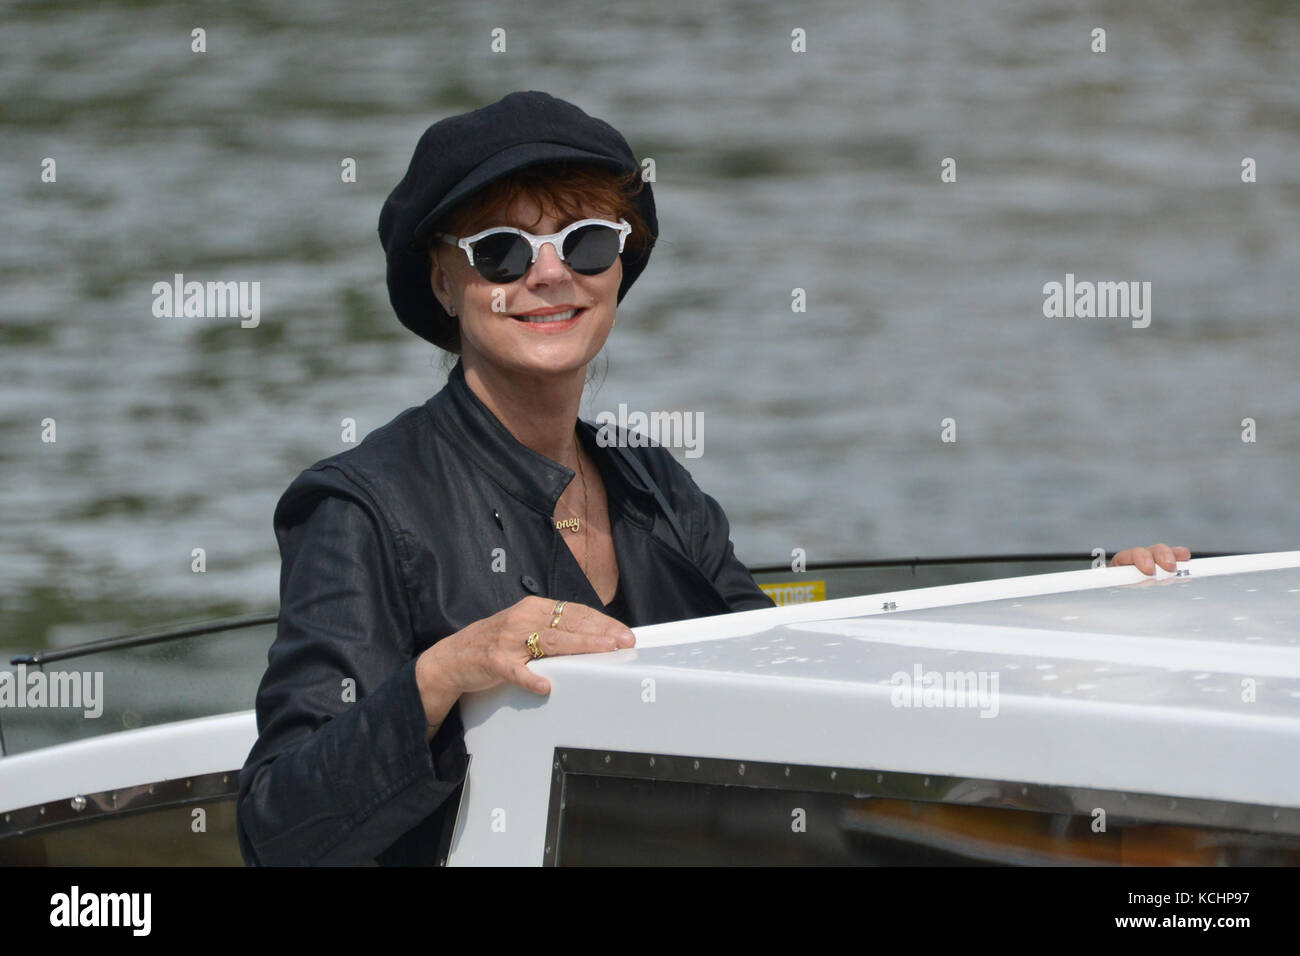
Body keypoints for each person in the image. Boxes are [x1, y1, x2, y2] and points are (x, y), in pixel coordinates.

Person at [235, 90, 1189, 866]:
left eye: (586, 242)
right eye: (501, 251)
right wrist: (446, 671)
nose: (550, 276)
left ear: (620, 268)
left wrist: (1064, 613)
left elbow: (793, 672)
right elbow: (278, 823)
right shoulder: (357, 505)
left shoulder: (658, 489)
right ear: (444, 284)